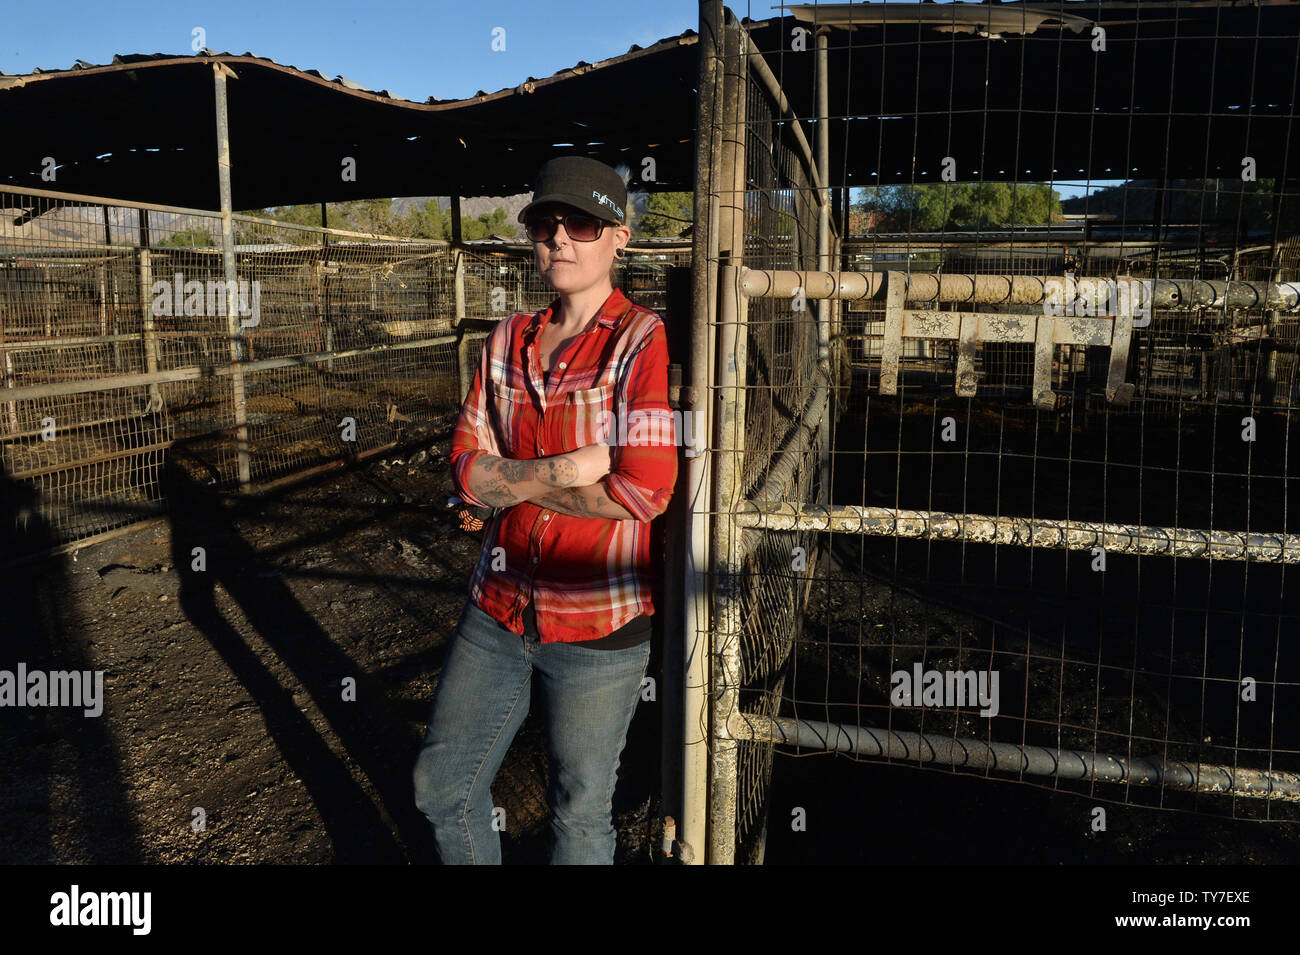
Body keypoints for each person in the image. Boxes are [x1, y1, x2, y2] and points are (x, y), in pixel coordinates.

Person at [412, 156, 678, 864]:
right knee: (441, 784)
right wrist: (569, 468)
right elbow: (467, 469)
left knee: (580, 812)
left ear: (619, 236)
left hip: (598, 621)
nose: (559, 238)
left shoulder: (639, 340)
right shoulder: (505, 340)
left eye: (581, 222)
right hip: (496, 605)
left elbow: (644, 489)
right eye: (544, 223)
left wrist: (513, 481)